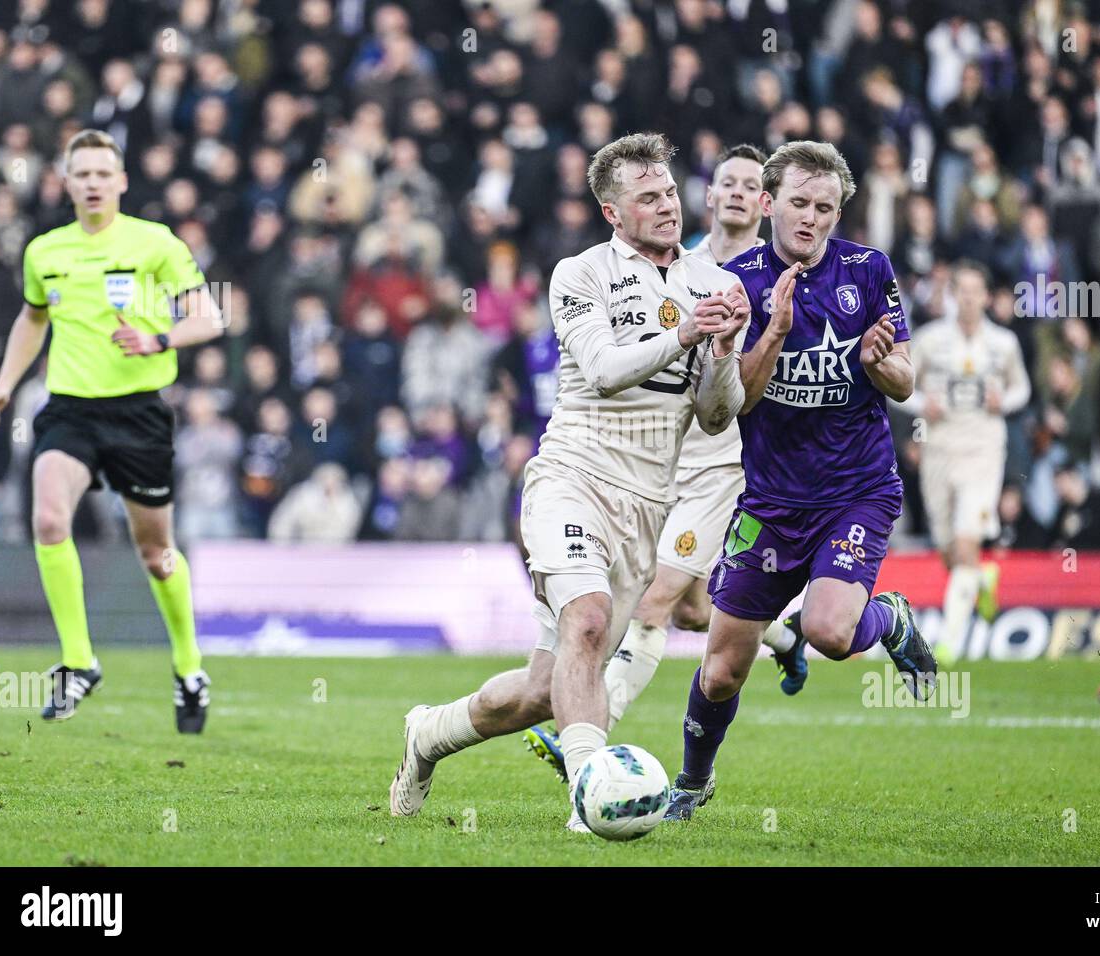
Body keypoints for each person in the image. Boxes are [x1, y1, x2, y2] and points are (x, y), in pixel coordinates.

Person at [387, 132, 749, 832]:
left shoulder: (715, 284)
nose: (667, 206)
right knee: (585, 619)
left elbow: (715, 415)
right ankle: (594, 796)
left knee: (538, 692)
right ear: (613, 213)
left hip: (648, 503)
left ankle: (428, 734)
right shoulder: (579, 275)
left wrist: (725, 350)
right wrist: (684, 337)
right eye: (647, 197)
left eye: (670, 191)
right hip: (573, 477)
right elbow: (607, 371)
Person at [664, 140, 937, 822]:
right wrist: (775, 333)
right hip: (770, 500)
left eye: (825, 208)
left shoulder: (869, 270)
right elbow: (733, 407)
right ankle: (693, 782)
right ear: (768, 203)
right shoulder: (740, 286)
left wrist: (881, 366)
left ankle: (889, 620)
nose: (811, 219)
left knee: (830, 632)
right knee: (723, 668)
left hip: (857, 491)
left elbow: (905, 381)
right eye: (798, 204)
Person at [522, 143, 811, 781]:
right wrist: (696, 338)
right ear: (712, 198)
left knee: (652, 604)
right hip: (648, 468)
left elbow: (735, 400)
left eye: (748, 186)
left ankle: (595, 746)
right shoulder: (683, 273)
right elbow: (606, 367)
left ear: (765, 203)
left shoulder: (765, 277)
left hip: (719, 467)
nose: (735, 194)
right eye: (725, 183)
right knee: (690, 609)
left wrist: (740, 345)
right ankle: (784, 637)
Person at [0, 129, 223, 731]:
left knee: (157, 554)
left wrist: (158, 338)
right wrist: (6, 382)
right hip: (69, 407)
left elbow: (209, 316)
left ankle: (189, 668)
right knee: (49, 518)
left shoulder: (154, 243)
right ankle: (79, 662)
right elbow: (32, 321)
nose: (91, 183)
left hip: (138, 410)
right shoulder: (44, 252)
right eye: (80, 173)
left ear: (121, 181)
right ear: (65, 181)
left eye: (101, 173)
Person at [898, 260, 1030, 661]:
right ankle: (983, 579)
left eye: (977, 290)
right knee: (947, 549)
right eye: (963, 290)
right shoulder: (930, 339)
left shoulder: (1003, 343)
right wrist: (924, 404)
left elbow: (1021, 389)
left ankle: (950, 642)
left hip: (983, 447)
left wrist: (1001, 402)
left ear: (987, 296)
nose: (970, 298)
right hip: (940, 447)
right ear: (953, 294)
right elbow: (898, 385)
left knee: (967, 537)